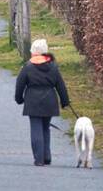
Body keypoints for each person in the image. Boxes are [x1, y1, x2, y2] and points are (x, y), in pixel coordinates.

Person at [14, 38, 70, 166]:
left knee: (36, 128)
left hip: (33, 101)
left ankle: (39, 158)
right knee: (45, 127)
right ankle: (46, 155)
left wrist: (19, 98)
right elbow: (60, 85)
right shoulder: (53, 66)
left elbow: (20, 84)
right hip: (50, 100)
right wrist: (65, 101)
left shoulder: (28, 66)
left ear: (33, 52)